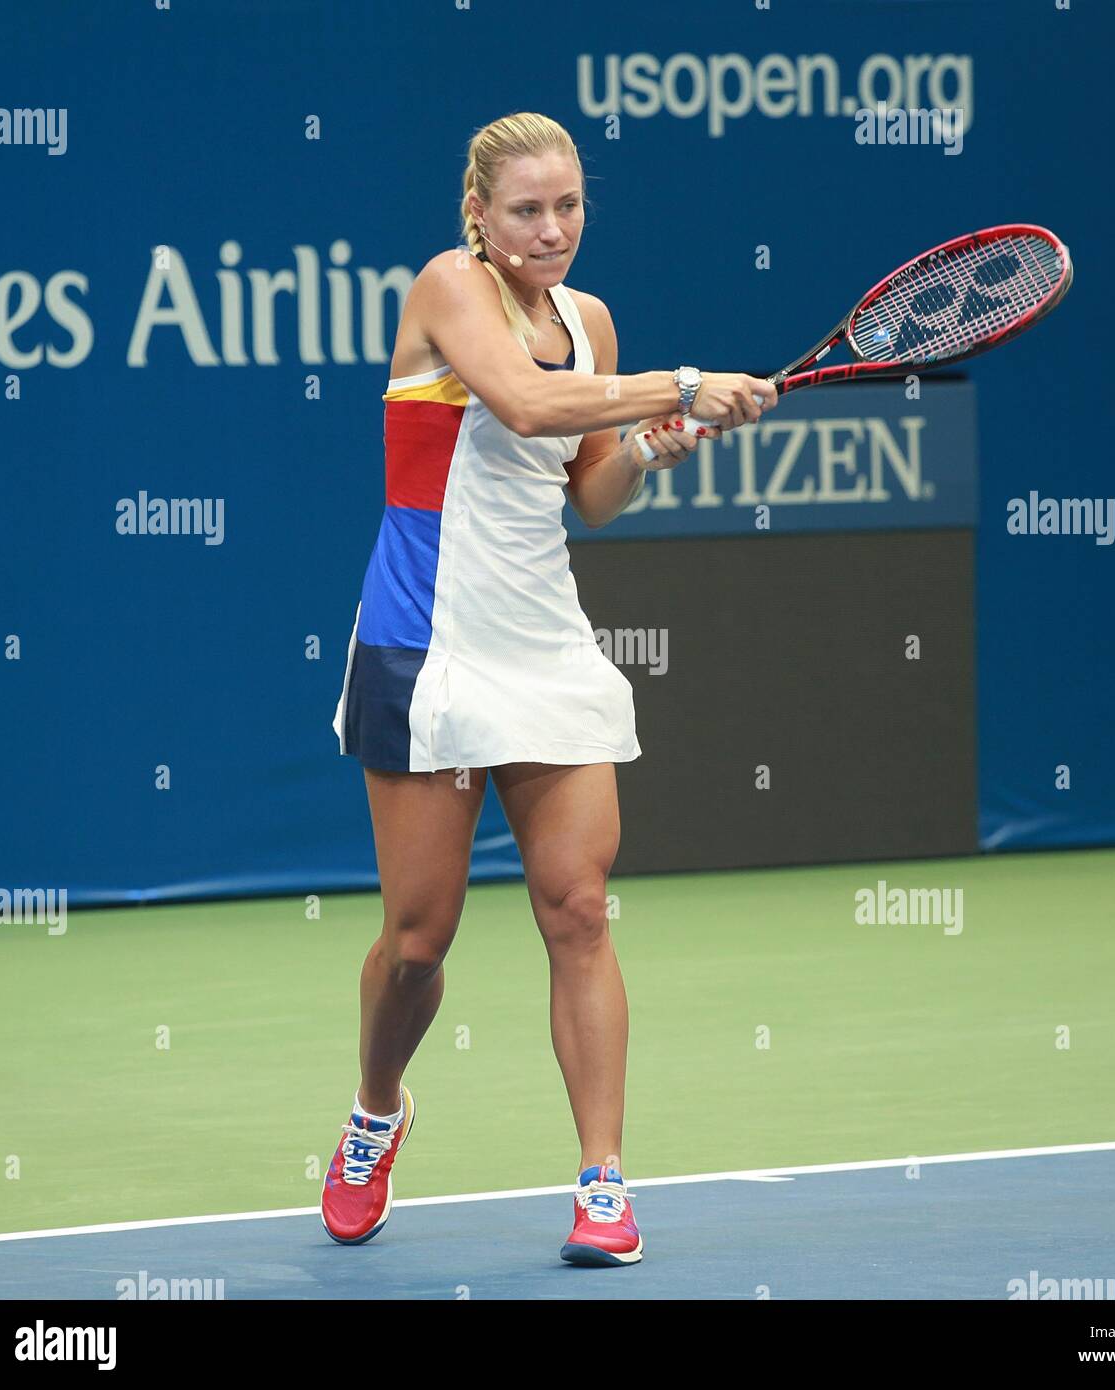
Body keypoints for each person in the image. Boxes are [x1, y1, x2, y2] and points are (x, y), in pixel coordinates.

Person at [322, 111, 774, 1266]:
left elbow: (591, 494)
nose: (551, 227)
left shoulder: (590, 320)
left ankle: (602, 1183)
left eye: (568, 204)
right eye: (525, 209)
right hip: (424, 644)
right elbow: (523, 404)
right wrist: (680, 381)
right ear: (475, 213)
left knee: (577, 909)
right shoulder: (446, 288)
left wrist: (655, 446)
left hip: (545, 642)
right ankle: (378, 1107)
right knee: (418, 943)